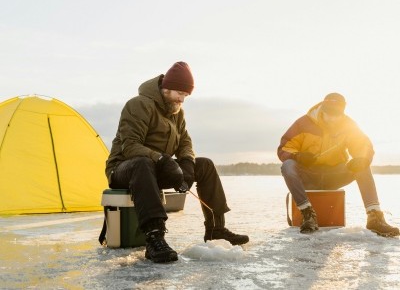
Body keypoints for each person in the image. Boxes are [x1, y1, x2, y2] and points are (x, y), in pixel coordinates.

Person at [105, 61, 249, 263]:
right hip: (124, 168)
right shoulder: (138, 105)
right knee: (142, 163)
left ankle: (216, 230)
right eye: (180, 93)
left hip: (155, 168)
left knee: (204, 165)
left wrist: (187, 164)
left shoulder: (177, 112)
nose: (182, 99)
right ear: (166, 88)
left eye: (186, 95)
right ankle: (155, 237)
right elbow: (130, 147)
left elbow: (185, 142)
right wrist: (163, 159)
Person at [277, 92, 399, 237]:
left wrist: (362, 158)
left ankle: (374, 216)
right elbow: (284, 148)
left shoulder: (348, 125)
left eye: (336, 114)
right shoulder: (303, 123)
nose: (332, 118)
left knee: (363, 165)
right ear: (322, 107)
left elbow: (363, 145)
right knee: (288, 166)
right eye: (328, 112)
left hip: (334, 175)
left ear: (342, 112)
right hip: (309, 175)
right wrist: (298, 156)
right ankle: (307, 214)